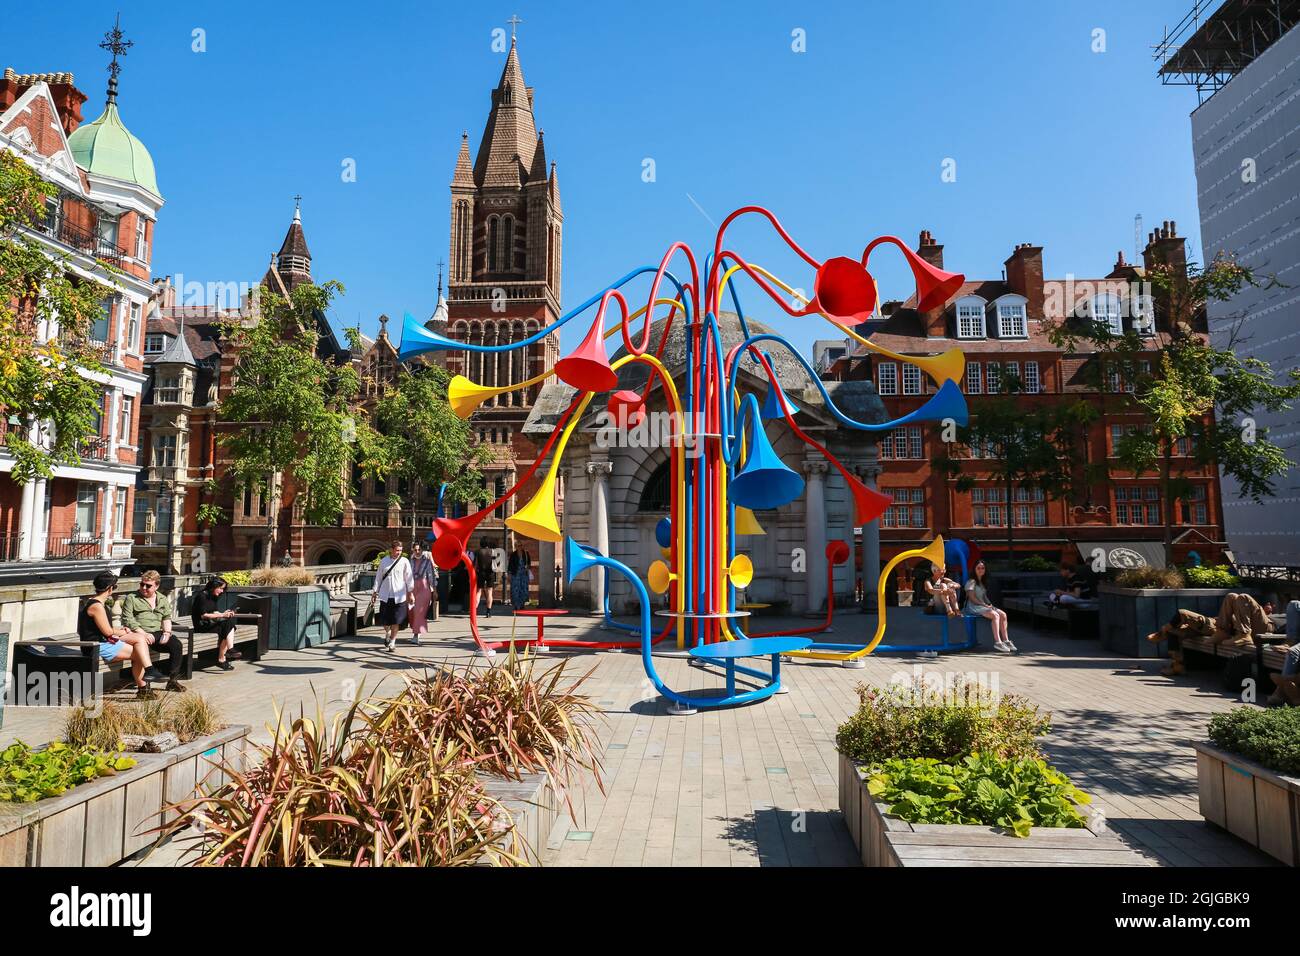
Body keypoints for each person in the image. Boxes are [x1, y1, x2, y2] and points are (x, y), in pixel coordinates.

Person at [1146, 592, 1278, 677]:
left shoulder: (1276, 617)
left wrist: (1262, 611)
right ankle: (1177, 664)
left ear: (1275, 606)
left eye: (1269, 605)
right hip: (1231, 628)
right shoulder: (1241, 612)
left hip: (1264, 629)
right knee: (1231, 596)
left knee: (1243, 597)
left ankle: (1161, 632)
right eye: (1264, 604)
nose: (1266, 607)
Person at [81, 571, 155, 699]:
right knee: (140, 653)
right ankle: (144, 688)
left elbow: (104, 629)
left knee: (140, 642)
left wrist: (122, 630)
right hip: (96, 646)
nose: (114, 590)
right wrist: (124, 632)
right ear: (109, 589)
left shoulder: (97, 603)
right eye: (114, 587)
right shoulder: (96, 606)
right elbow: (108, 632)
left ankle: (145, 685)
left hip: (103, 642)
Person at [120, 570, 187, 693]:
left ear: (156, 586)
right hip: (139, 634)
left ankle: (172, 680)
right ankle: (144, 688)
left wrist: (167, 632)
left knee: (176, 645)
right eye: (142, 584)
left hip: (157, 633)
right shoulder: (132, 598)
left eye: (148, 586)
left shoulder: (162, 599)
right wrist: (142, 633)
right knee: (141, 647)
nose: (144, 588)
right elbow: (127, 619)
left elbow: (166, 617)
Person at [966, 559, 1015, 653]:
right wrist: (984, 605)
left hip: (982, 605)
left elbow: (984, 597)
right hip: (973, 606)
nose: (981, 570)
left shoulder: (982, 583)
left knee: (1003, 614)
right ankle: (998, 642)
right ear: (974, 569)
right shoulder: (971, 582)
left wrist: (989, 604)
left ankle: (1006, 640)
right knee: (995, 615)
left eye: (982, 568)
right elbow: (972, 598)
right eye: (978, 568)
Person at [191, 577, 237, 671]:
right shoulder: (201, 596)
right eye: (220, 588)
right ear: (213, 586)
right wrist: (222, 615)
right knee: (228, 627)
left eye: (223, 589)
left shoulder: (213, 596)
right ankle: (224, 656)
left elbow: (214, 612)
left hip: (210, 624)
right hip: (201, 625)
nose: (221, 591)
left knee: (228, 625)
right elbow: (204, 615)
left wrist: (224, 613)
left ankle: (228, 652)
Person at [376, 540, 414, 652]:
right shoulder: (384, 561)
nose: (399, 552)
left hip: (400, 596)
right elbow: (378, 577)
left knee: (396, 621)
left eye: (400, 551)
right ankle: (387, 633)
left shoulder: (404, 561)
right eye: (397, 550)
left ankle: (392, 642)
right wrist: (374, 592)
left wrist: (410, 593)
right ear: (391, 550)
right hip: (385, 595)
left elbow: (409, 578)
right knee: (385, 622)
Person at [408, 540, 435, 647]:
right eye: (415, 550)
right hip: (412, 588)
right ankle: (416, 631)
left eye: (419, 549)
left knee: (420, 611)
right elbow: (406, 575)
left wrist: (435, 591)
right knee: (412, 611)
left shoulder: (427, 561)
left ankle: (416, 635)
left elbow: (431, 576)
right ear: (413, 550)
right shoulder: (410, 561)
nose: (418, 551)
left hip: (424, 588)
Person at [473, 538, 498, 617]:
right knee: (490, 592)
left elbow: (475, 565)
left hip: (481, 573)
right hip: (490, 573)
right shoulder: (493, 552)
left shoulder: (478, 552)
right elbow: (496, 565)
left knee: (478, 591)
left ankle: (474, 610)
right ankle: (488, 612)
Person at [508, 545, 531, 611]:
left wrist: (528, 567)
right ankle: (516, 605)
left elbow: (529, 563)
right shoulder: (513, 554)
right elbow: (510, 565)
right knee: (515, 590)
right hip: (515, 574)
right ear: (516, 546)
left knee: (523, 589)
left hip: (524, 574)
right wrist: (509, 574)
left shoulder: (526, 553)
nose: (519, 547)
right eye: (518, 546)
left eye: (520, 545)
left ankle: (522, 605)